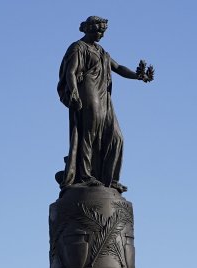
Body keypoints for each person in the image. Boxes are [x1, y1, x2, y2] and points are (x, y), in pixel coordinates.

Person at [56, 16, 154, 192]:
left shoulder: (101, 51)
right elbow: (70, 72)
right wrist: (74, 92)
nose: (102, 34)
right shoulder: (78, 47)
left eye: (103, 31)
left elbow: (118, 68)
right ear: (89, 29)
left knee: (116, 137)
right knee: (89, 132)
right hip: (88, 91)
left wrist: (138, 76)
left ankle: (110, 179)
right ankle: (85, 176)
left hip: (104, 96)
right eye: (99, 31)